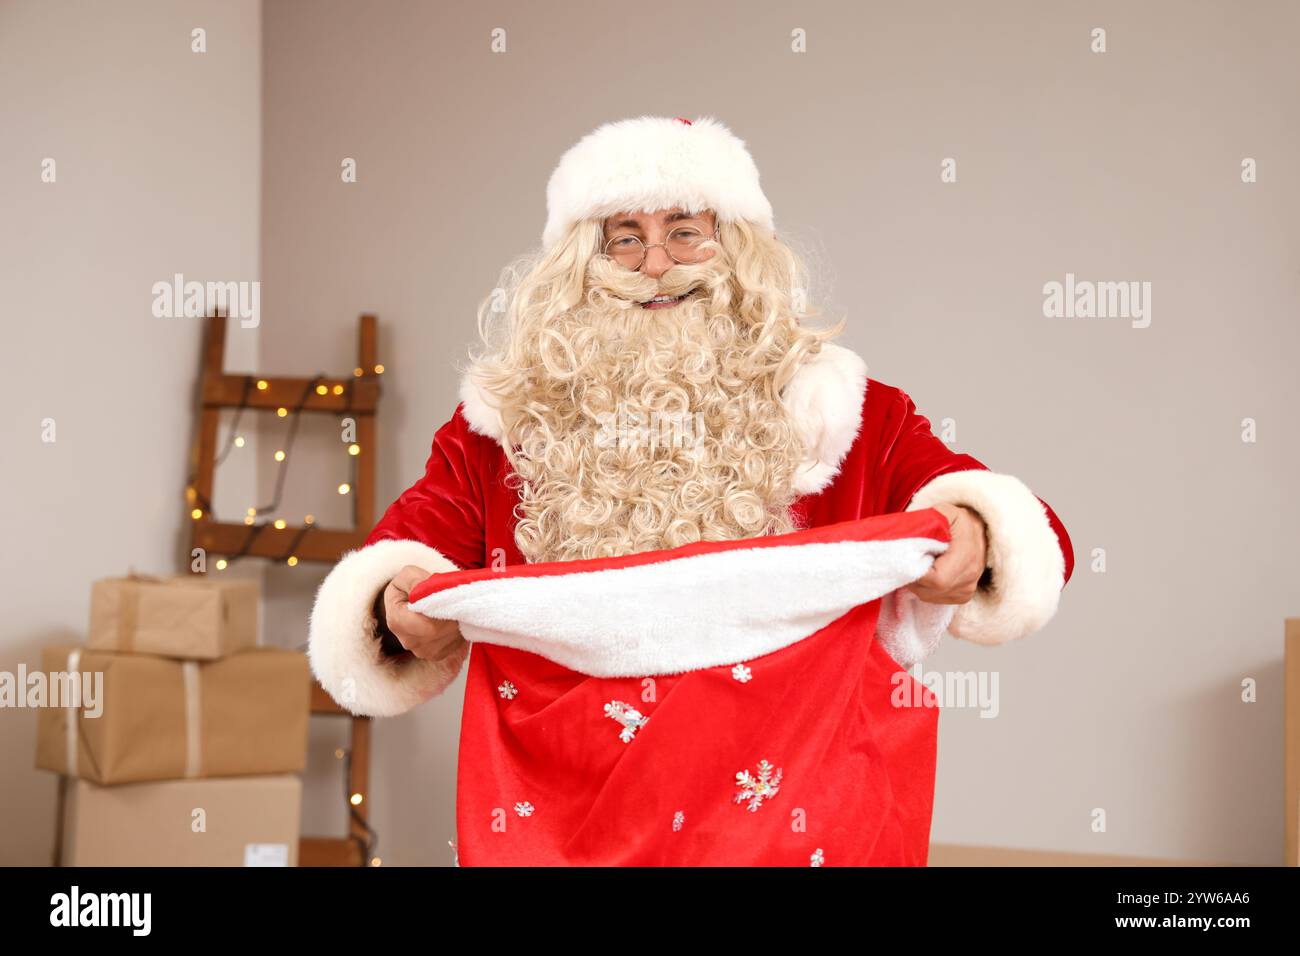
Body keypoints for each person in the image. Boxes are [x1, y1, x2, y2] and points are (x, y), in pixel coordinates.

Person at [307, 115, 1073, 863]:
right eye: (625, 238)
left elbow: (1031, 530)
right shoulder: (502, 429)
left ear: (736, 250)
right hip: (570, 827)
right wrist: (397, 605)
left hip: (799, 819)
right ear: (580, 264)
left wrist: (973, 528)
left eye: (684, 231)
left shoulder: (851, 416)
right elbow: (402, 560)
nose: (655, 265)